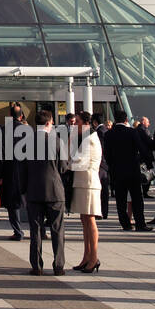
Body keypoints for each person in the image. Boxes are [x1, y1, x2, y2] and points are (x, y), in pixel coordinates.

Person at [17, 109, 68, 275]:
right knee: (57, 230)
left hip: (33, 191)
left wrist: (23, 190)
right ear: (49, 122)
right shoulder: (58, 141)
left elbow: (21, 170)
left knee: (36, 230)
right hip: (55, 191)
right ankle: (58, 266)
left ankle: (36, 266)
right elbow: (63, 167)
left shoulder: (26, 142)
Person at [102, 108, 153, 232]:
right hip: (132, 170)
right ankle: (140, 224)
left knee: (120, 200)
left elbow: (107, 154)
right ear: (126, 120)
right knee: (137, 198)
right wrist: (147, 162)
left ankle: (125, 224)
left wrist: (112, 166)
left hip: (117, 171)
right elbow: (141, 148)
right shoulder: (132, 132)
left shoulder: (108, 134)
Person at [69, 111, 103, 272]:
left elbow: (78, 161)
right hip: (83, 182)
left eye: (77, 122)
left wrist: (64, 162)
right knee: (85, 221)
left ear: (85, 123)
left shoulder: (90, 139)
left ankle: (93, 257)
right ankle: (87, 256)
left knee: (90, 221)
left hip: (88, 183)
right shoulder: (85, 138)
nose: (74, 125)